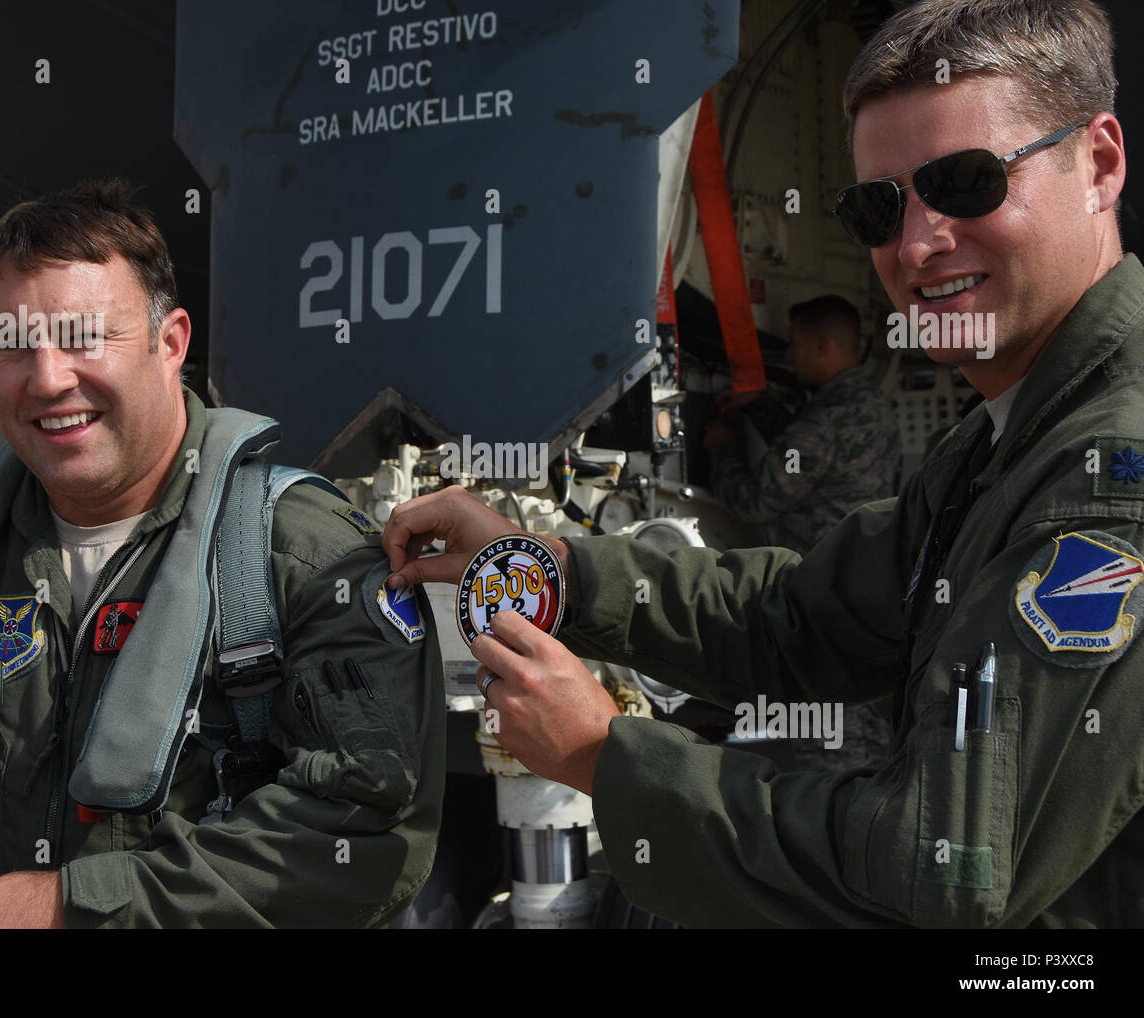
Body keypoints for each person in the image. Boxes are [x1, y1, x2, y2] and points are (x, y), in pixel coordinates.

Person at [382, 0, 1142, 926]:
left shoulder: (1110, 476)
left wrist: (603, 756)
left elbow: (944, 869)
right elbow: (799, 617)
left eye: (969, 181)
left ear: (1099, 162)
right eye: (878, 205)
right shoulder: (1002, 440)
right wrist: (556, 570)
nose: (916, 243)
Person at [0, 179, 444, 928]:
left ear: (171, 344)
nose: (48, 379)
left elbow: (363, 837)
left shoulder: (306, 558)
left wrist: (72, 909)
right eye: (11, 346)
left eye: (83, 337)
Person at [703, 294, 901, 554]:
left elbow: (754, 502)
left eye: (793, 344)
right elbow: (810, 453)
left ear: (821, 347)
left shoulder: (823, 423)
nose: (789, 355)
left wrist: (722, 449)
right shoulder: (875, 404)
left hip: (818, 576)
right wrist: (756, 404)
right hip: (862, 562)